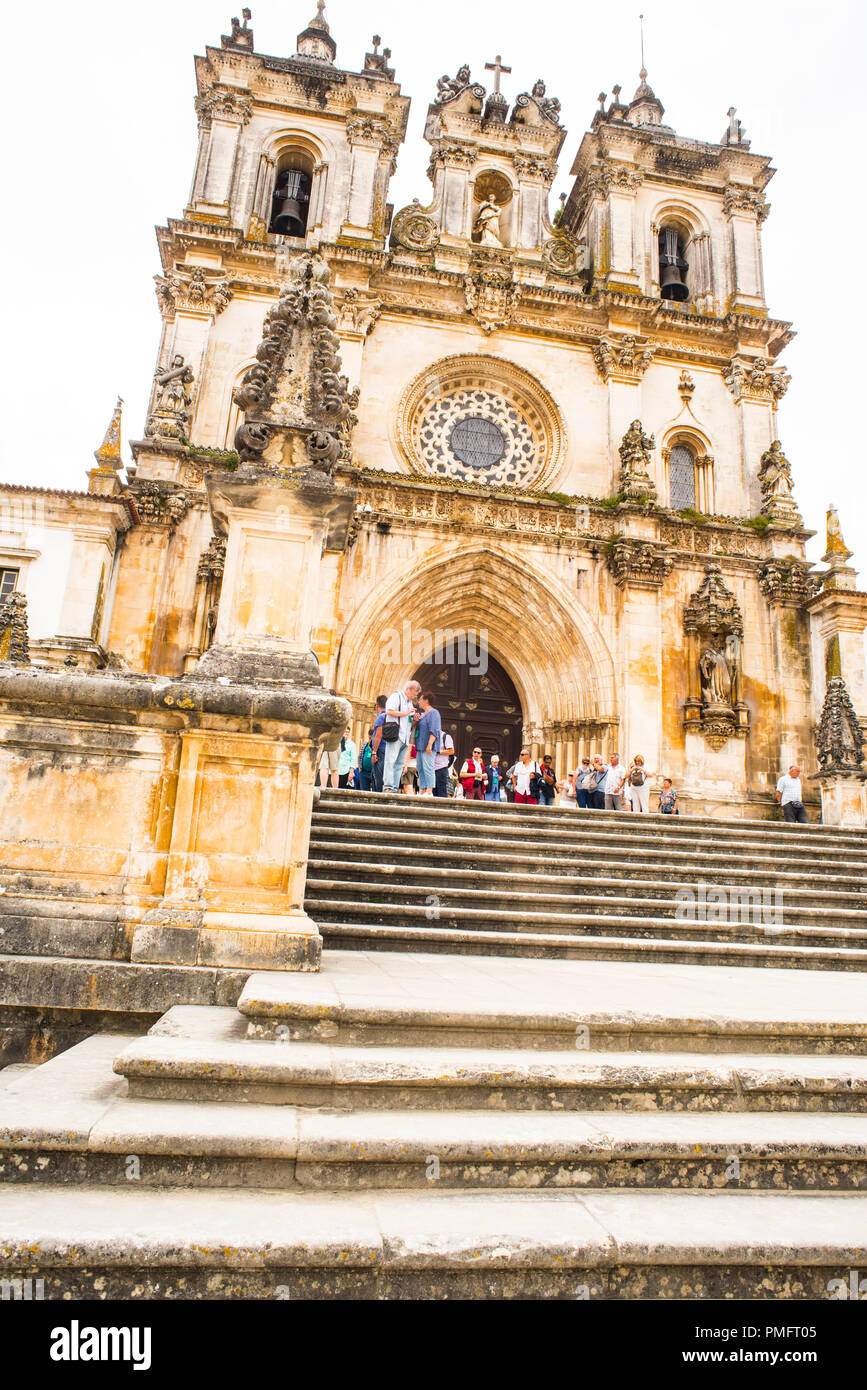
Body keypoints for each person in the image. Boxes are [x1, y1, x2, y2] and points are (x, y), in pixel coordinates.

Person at [382, 681, 421, 792]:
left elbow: (408, 721)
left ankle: (394, 787)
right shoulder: (396, 696)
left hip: (405, 737)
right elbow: (388, 711)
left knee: (399, 763)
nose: (415, 696)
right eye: (414, 693)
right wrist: (406, 712)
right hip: (395, 734)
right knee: (390, 760)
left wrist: (415, 719)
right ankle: (387, 786)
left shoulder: (409, 703)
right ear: (408, 689)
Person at [414, 690, 442, 798]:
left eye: (420, 699)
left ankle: (429, 790)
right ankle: (422, 789)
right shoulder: (422, 714)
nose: (419, 702)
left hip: (428, 746)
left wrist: (430, 744)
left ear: (426, 700)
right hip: (420, 746)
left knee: (428, 767)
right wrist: (415, 721)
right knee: (420, 768)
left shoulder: (434, 713)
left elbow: (434, 730)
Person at [370, 694, 387, 792]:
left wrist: (374, 752)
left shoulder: (381, 717)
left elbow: (378, 736)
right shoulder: (390, 716)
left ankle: (379, 797)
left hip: (380, 750)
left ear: (377, 705)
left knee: (378, 777)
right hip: (388, 749)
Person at [434, 728, 455, 798]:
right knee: (433, 792)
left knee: (441, 792)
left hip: (441, 768)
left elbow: (451, 751)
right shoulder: (430, 737)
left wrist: (438, 751)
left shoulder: (445, 736)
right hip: (431, 768)